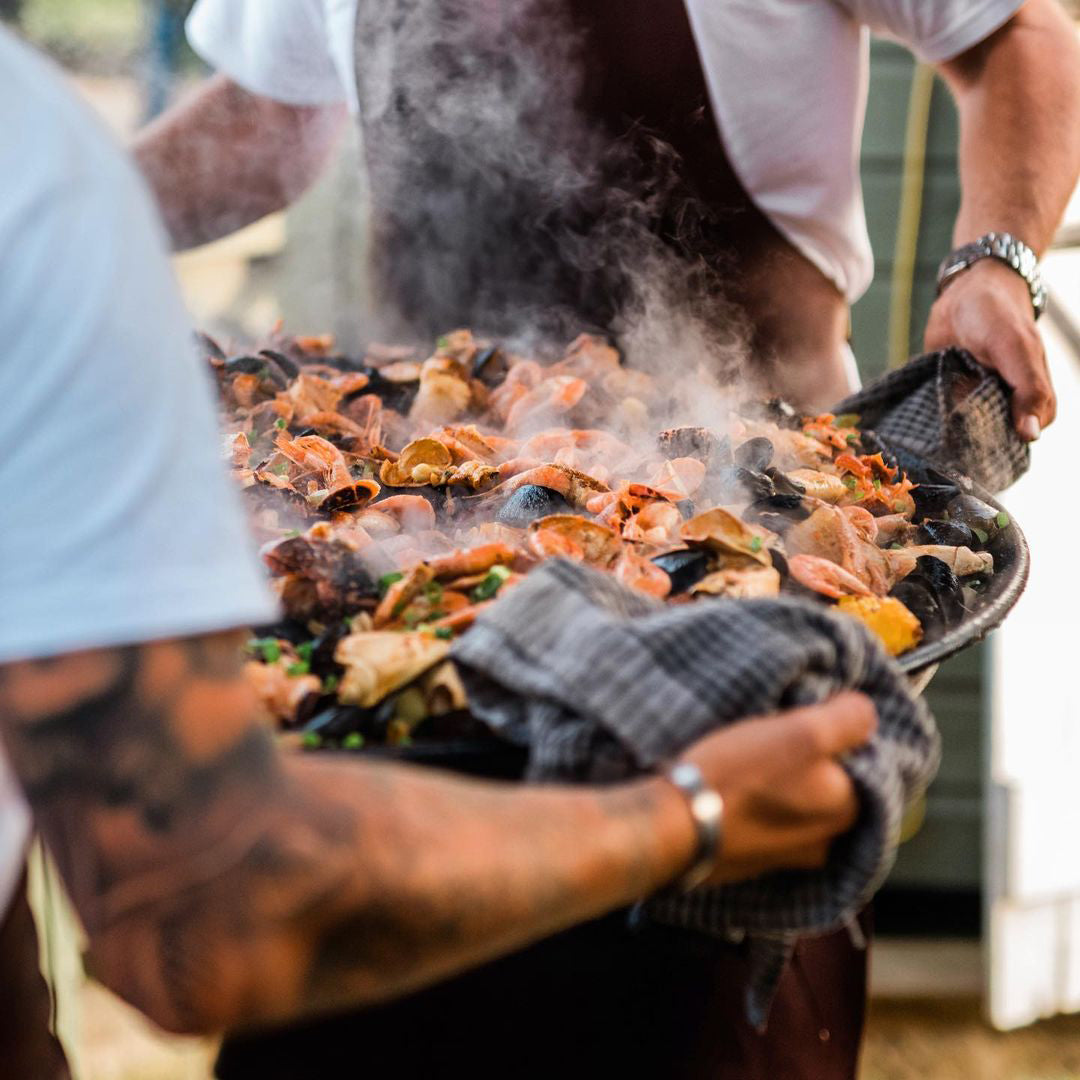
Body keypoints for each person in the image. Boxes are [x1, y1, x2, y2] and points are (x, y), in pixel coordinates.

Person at [0, 24, 873, 1079]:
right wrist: (689, 812)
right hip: (486, 826)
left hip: (744, 429)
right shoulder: (34, 171)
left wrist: (998, 261)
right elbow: (198, 899)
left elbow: (1011, 33)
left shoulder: (36, 181)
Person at [135, 0, 1080, 440]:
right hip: (415, 505)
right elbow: (269, 118)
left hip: (763, 490)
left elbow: (1014, 35)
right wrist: (51, 226)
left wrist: (993, 260)